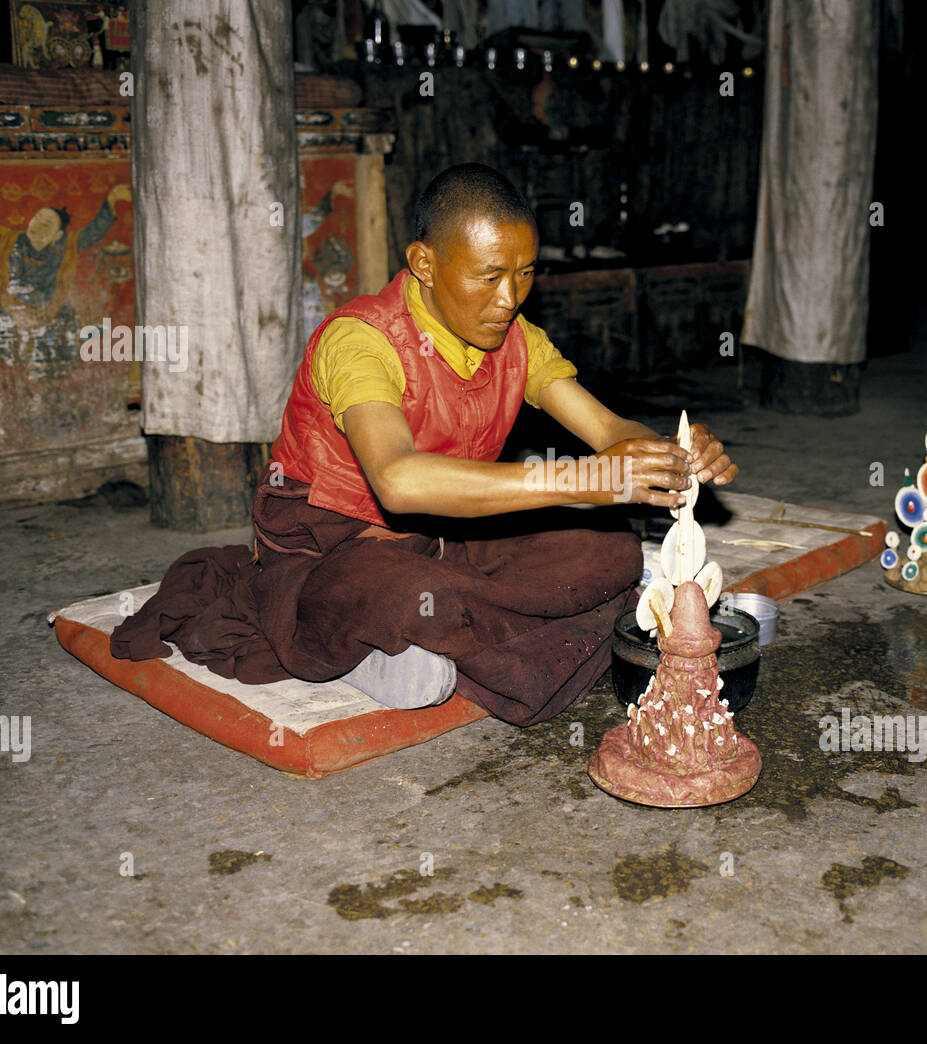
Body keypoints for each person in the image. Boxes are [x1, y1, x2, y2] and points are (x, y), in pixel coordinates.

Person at [111, 163, 737, 727]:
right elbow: (399, 481)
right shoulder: (361, 341)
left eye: (525, 275)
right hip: (333, 551)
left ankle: (422, 639)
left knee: (611, 553)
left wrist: (670, 450)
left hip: (442, 541)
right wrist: (585, 480)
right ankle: (375, 640)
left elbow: (608, 431)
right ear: (425, 263)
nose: (509, 300)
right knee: (403, 594)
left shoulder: (516, 338)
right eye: (489, 276)